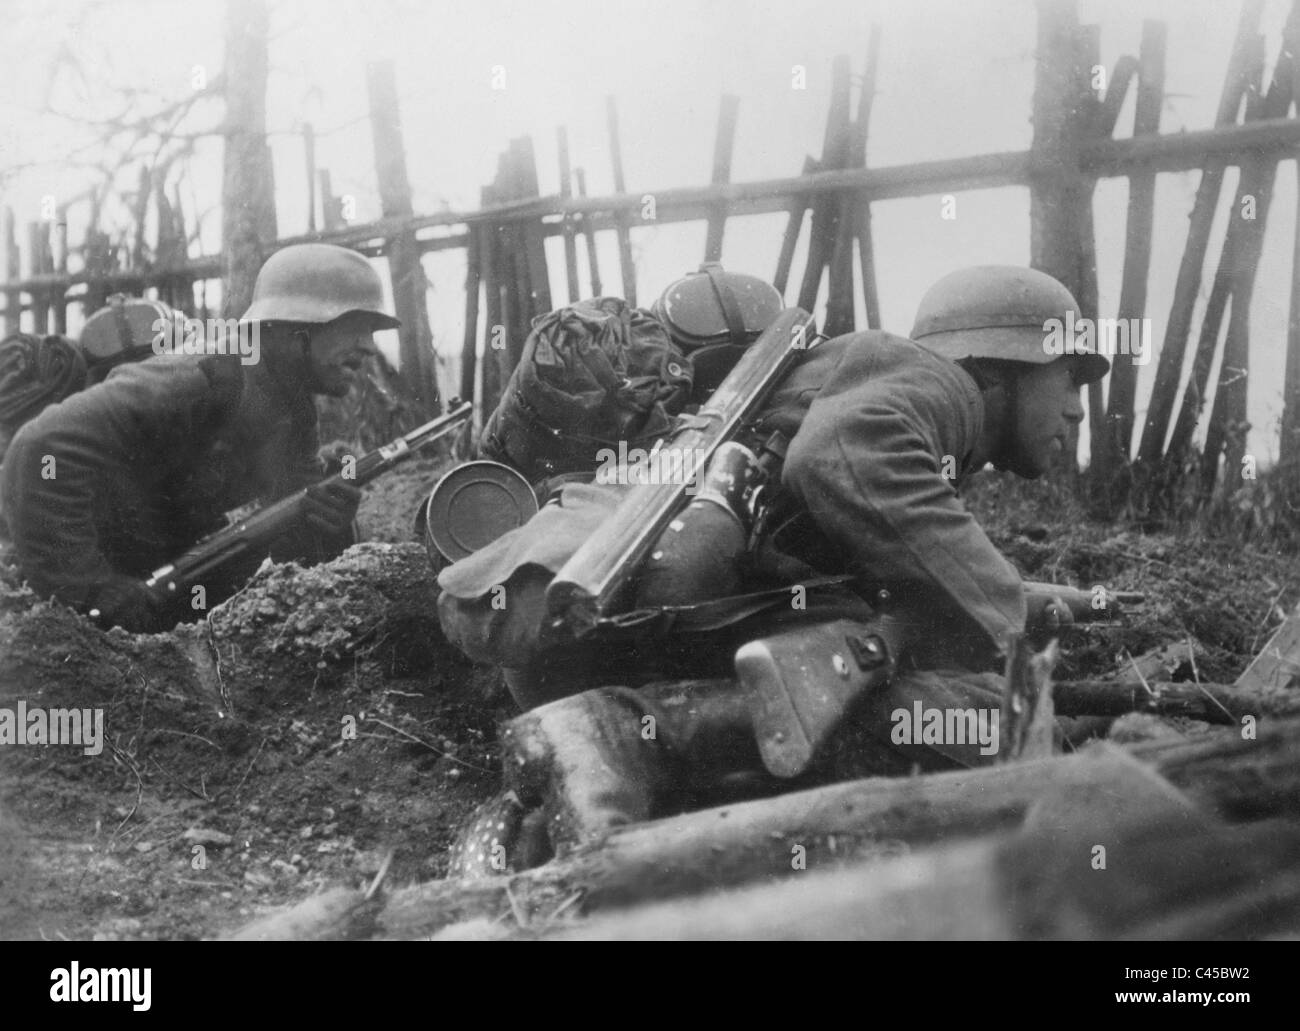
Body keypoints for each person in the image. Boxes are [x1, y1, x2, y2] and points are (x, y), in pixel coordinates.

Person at [441, 265, 1109, 872]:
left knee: (899, 690)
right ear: (999, 365)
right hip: (647, 611)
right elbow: (834, 453)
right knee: (985, 724)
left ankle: (598, 783)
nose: (1077, 407)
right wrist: (1001, 614)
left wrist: (1041, 599)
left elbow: (880, 563)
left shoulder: (873, 385)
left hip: (585, 636)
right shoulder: (945, 386)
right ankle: (616, 741)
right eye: (1068, 377)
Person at [0, 243, 400, 632]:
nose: (367, 347)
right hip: (83, 548)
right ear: (297, 330)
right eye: (354, 328)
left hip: (158, 562)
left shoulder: (296, 413)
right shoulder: (207, 375)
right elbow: (39, 450)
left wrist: (330, 524)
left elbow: (289, 532)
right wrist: (91, 591)